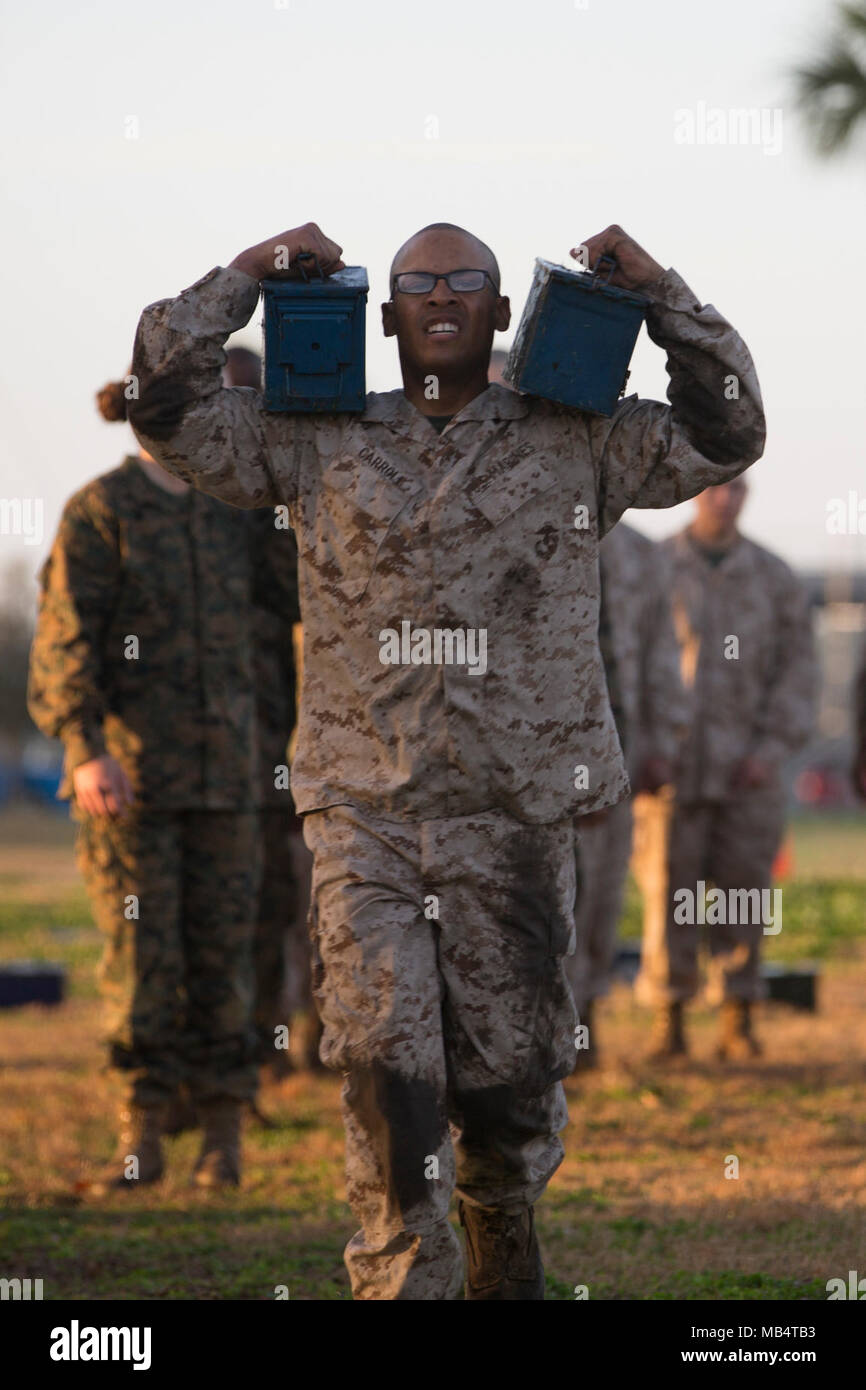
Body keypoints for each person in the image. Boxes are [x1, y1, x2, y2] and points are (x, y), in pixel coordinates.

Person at [127, 218, 765, 1299]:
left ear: (504, 311)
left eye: (464, 281)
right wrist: (246, 274)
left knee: (511, 1086)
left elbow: (727, 429)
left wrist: (659, 292)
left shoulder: (579, 437)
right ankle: (403, 1281)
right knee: (389, 1081)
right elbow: (163, 407)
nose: (439, 297)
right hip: (363, 814)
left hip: (511, 819)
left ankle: (502, 1226)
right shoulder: (307, 432)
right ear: (383, 314)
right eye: (418, 283)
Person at [27, 375, 282, 1189]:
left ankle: (222, 1137)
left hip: (230, 780)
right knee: (141, 958)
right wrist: (84, 745)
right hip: (129, 784)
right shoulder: (101, 510)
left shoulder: (237, 511)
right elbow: (66, 639)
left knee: (224, 960)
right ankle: (141, 1134)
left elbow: (306, 593)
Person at [631, 478, 817, 1060]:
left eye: (736, 488)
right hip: (672, 770)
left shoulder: (775, 577)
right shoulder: (657, 566)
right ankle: (671, 1016)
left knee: (744, 895)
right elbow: (631, 663)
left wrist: (768, 752)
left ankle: (738, 1013)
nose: (724, 498)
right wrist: (648, 747)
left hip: (748, 772)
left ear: (747, 496)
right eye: (714, 488)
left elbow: (798, 673)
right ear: (694, 493)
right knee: (670, 892)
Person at [221, 347, 322, 1085]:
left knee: (296, 904)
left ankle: (292, 1040)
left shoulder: (291, 510)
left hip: (299, 744)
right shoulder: (188, 511)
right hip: (216, 754)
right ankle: (235, 1058)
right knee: (228, 909)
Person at [566, 522, 686, 1067]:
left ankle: (586, 1018)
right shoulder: (529, 523)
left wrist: (661, 743)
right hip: (545, 763)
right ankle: (549, 1027)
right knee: (555, 896)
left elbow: (663, 654)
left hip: (621, 756)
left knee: (605, 894)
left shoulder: (642, 554)